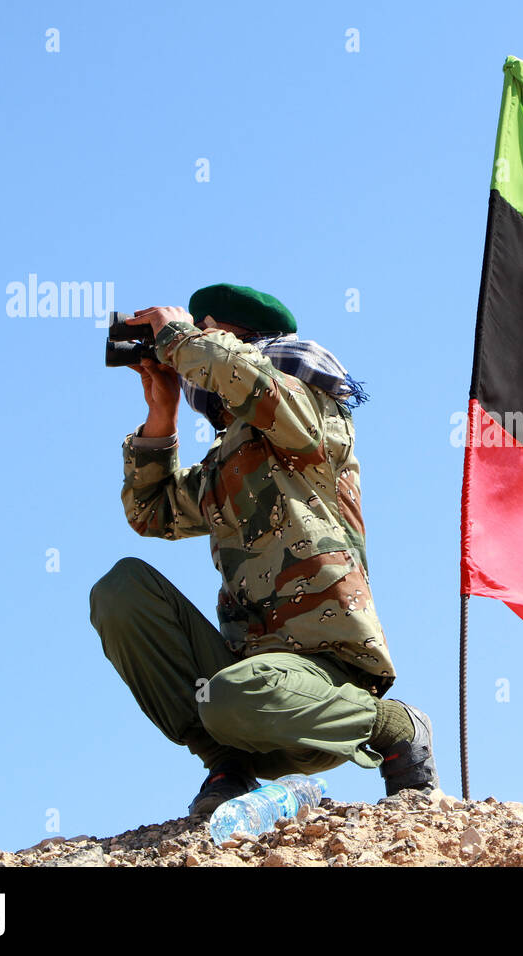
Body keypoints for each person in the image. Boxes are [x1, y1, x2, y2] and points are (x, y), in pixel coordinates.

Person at [89, 283, 438, 817]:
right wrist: (162, 416)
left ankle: (391, 725)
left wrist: (180, 335)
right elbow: (150, 512)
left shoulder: (315, 413)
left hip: (326, 675)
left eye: (203, 339)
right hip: (246, 681)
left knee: (235, 696)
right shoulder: (224, 465)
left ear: (241, 342)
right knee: (122, 590)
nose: (182, 360)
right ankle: (226, 763)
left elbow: (258, 387)